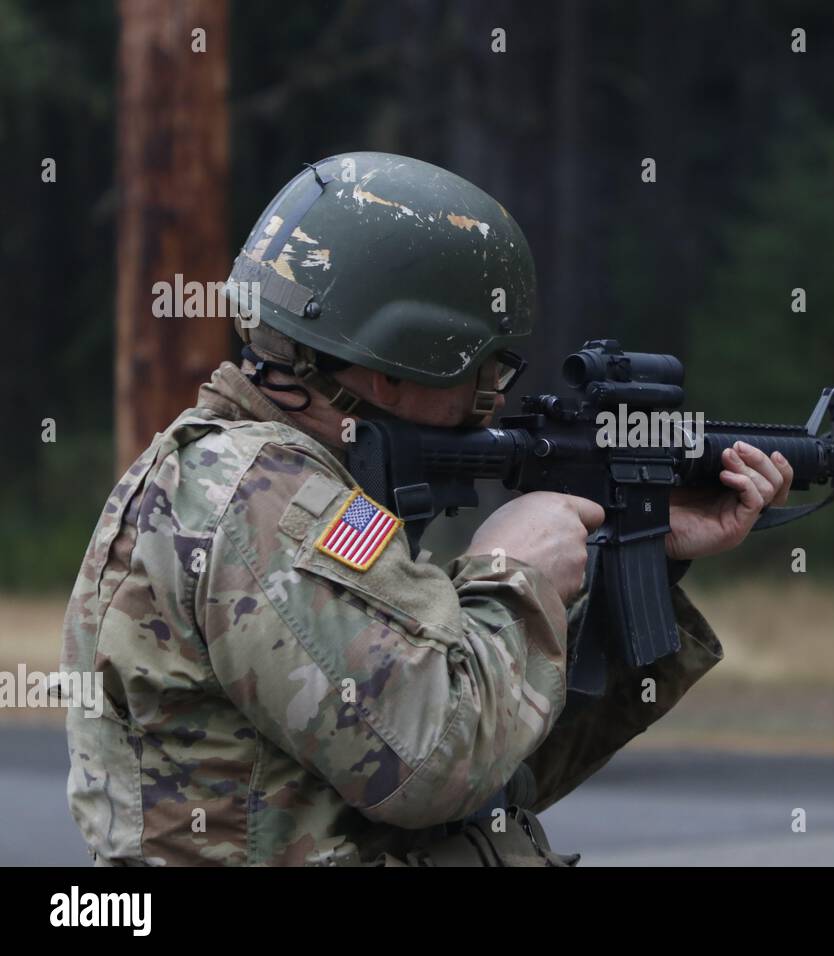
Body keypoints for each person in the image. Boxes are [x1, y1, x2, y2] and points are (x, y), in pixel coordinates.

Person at [62, 152, 793, 866]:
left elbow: (499, 778)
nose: (494, 397)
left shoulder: (272, 482)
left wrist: (647, 553)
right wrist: (513, 575)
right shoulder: (269, 498)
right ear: (397, 357)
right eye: (483, 363)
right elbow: (435, 767)